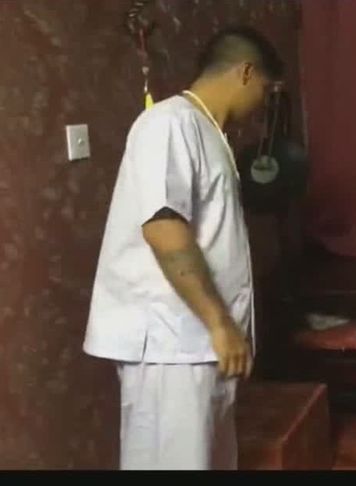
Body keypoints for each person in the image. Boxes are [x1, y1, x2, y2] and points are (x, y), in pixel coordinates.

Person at [82, 26, 284, 470]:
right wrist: (220, 323)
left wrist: (226, 329)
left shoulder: (210, 134)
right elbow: (163, 227)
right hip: (171, 344)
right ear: (246, 73)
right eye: (266, 90)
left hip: (200, 343)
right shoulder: (170, 124)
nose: (262, 104)